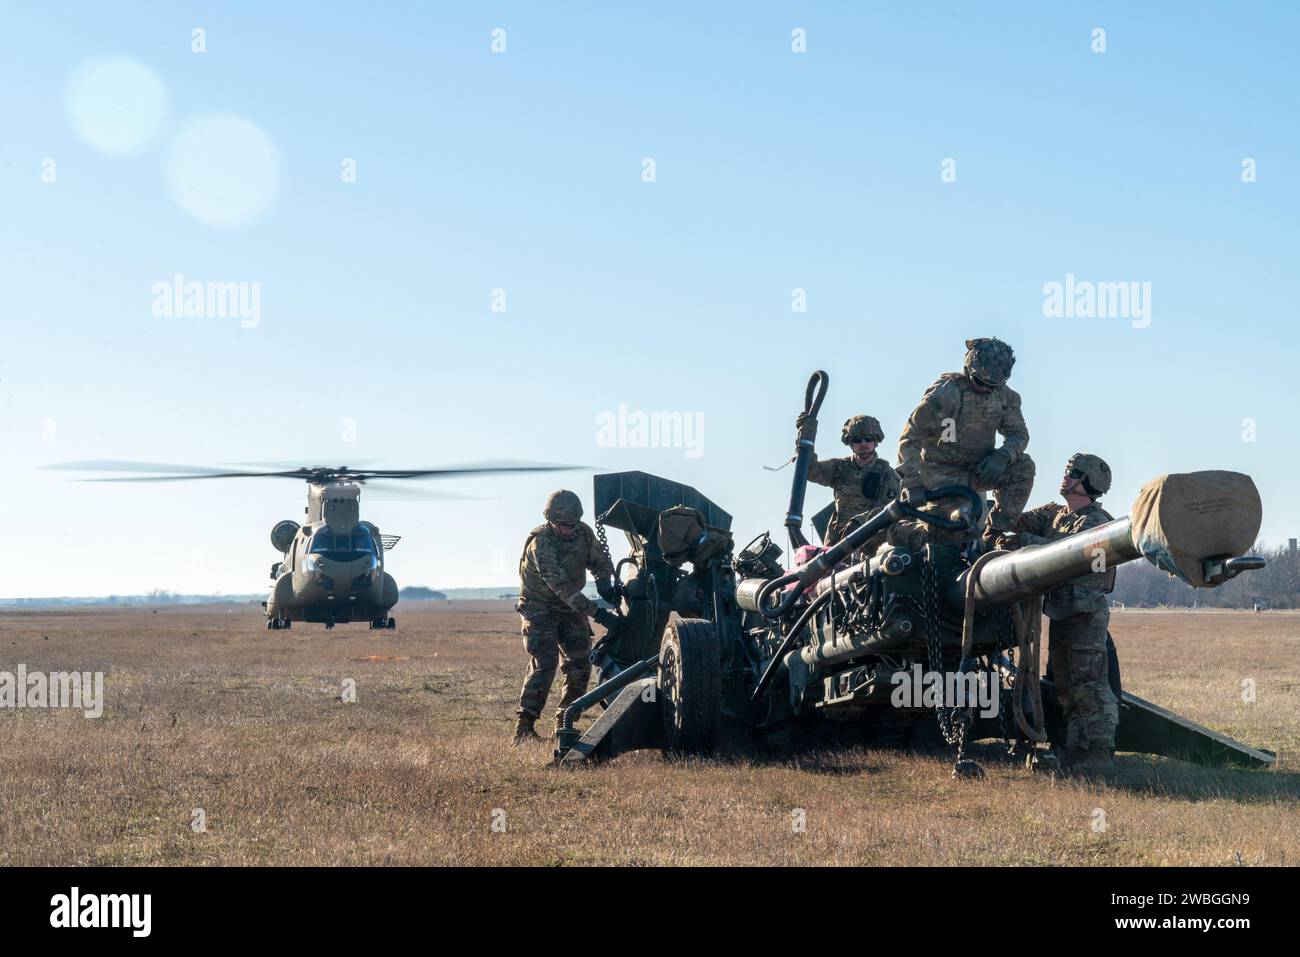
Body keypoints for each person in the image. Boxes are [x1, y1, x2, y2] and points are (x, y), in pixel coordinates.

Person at [1006, 453, 1119, 771]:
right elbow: (1014, 521)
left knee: (1088, 684)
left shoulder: (1097, 523)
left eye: (1073, 474)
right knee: (1067, 685)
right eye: (1067, 472)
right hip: (1061, 612)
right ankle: (1073, 750)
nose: (1065, 478)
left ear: (1089, 483)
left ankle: (1096, 753)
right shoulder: (1054, 515)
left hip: (1084, 614)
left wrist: (1026, 541)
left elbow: (1074, 557)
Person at [896, 337, 1035, 546]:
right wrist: (912, 482)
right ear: (969, 370)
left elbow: (1019, 435)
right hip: (940, 474)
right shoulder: (946, 393)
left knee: (1023, 467)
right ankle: (896, 531)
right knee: (946, 538)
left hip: (980, 468)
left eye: (993, 386)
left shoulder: (1005, 397)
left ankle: (994, 532)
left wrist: (1002, 456)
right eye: (981, 383)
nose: (987, 389)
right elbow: (911, 436)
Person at [513, 489, 619, 743]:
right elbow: (561, 587)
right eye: (564, 526)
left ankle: (566, 723)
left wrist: (604, 581)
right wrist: (599, 614)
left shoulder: (583, 533)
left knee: (580, 663)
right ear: (550, 520)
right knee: (545, 663)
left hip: (570, 609)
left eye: (573, 524)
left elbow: (599, 560)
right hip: (540, 608)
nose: (570, 530)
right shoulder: (541, 544)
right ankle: (524, 728)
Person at [796, 413, 901, 547]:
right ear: (850, 442)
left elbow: (886, 513)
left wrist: (859, 524)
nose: (863, 443)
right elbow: (809, 471)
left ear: (876, 441)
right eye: (857, 439)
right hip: (836, 543)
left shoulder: (887, 475)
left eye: (868, 438)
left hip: (870, 542)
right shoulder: (839, 468)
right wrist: (805, 434)